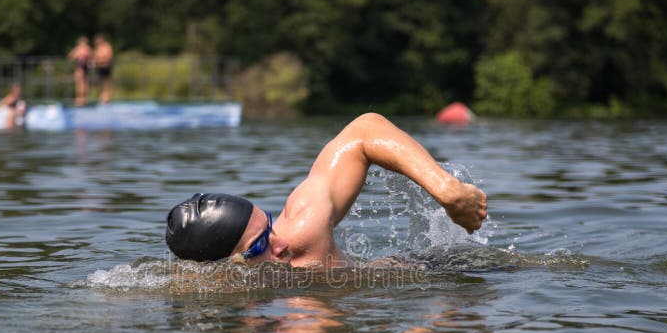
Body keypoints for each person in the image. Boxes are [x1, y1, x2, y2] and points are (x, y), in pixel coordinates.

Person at [166, 113, 488, 268]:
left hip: (428, 271)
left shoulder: (303, 230)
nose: (280, 244)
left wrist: (447, 190)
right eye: (259, 245)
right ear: (224, 270)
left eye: (269, 224)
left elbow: (364, 131)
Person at [67, 36, 92, 106]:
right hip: (79, 67)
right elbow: (70, 57)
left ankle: (84, 99)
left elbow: (91, 57)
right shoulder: (77, 49)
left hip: (86, 68)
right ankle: (79, 99)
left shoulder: (87, 49)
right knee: (79, 83)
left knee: (85, 84)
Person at [93, 33, 114, 104]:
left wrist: (101, 60)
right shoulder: (97, 48)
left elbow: (109, 56)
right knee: (100, 83)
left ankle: (107, 98)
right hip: (99, 68)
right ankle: (102, 97)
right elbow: (95, 58)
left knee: (107, 83)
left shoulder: (106, 46)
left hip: (106, 67)